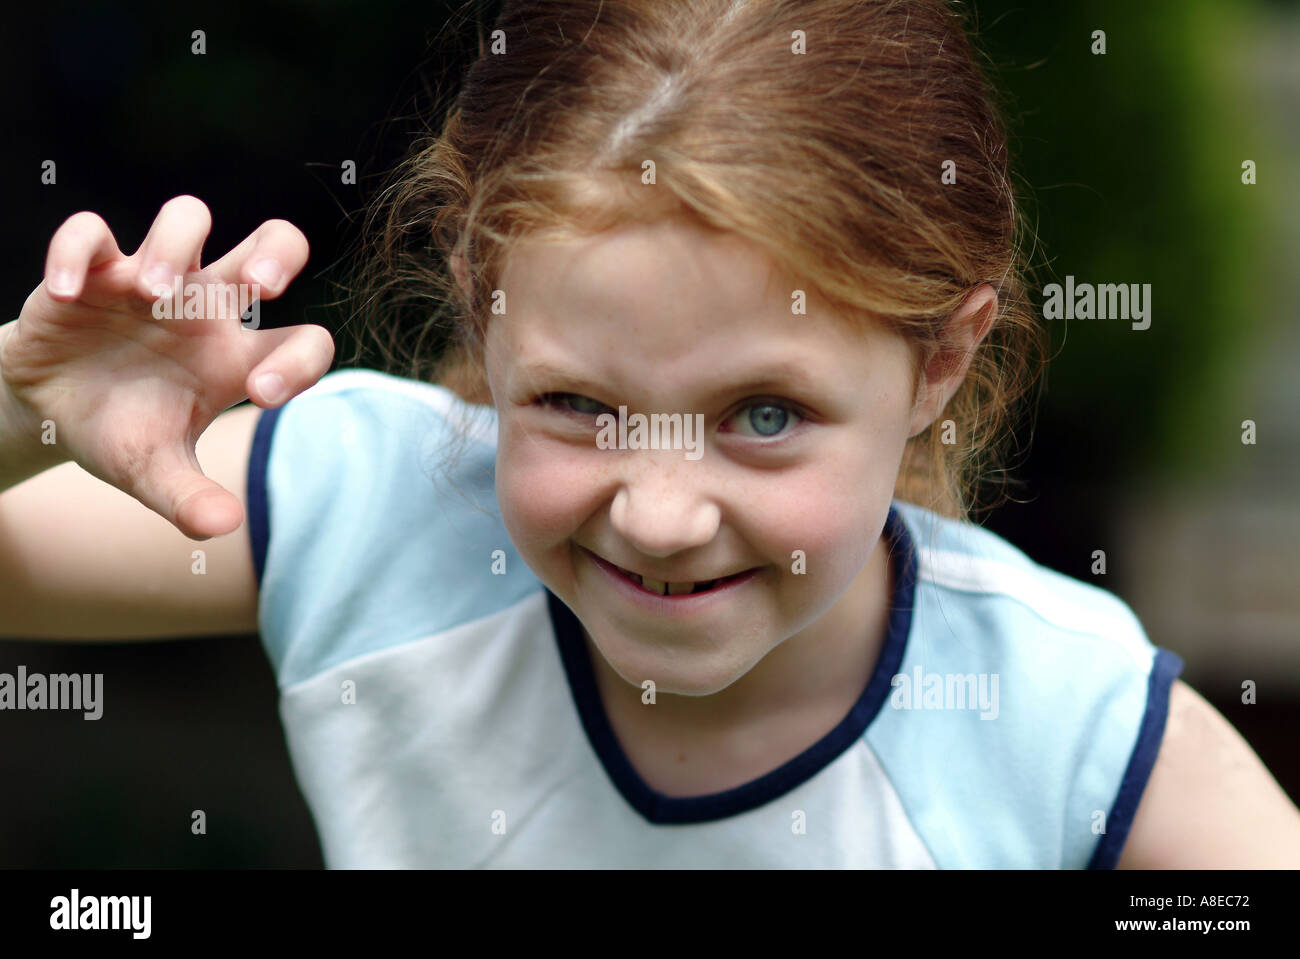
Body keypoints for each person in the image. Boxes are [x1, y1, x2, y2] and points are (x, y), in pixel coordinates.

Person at [3, 0, 1299, 867]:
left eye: (767, 416)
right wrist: (21, 416)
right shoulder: (367, 507)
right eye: (578, 405)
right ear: (475, 295)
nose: (661, 517)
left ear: (939, 363)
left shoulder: (1068, 722)